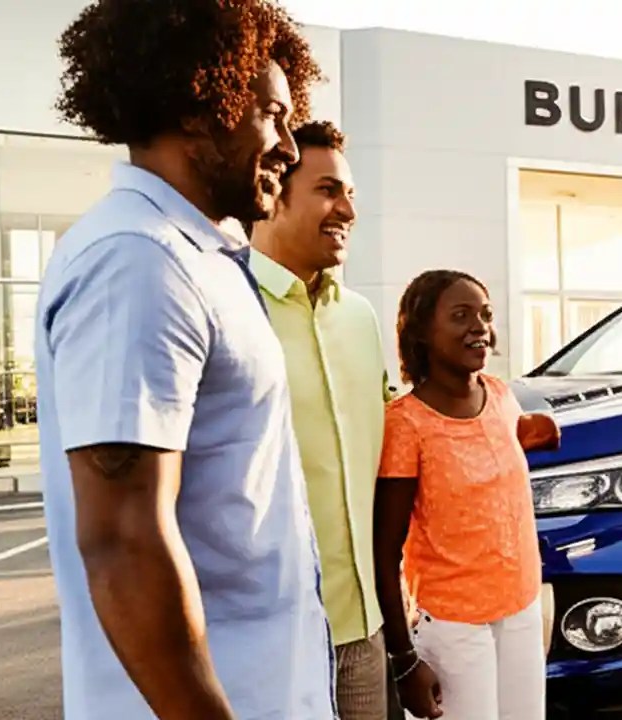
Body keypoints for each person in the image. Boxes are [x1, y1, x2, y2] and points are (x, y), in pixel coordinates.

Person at [35, 2, 334, 718]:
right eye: (272, 114)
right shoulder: (138, 263)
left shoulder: (199, 257)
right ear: (206, 105)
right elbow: (122, 541)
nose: (291, 148)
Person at [248, 120, 394, 719]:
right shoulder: (231, 306)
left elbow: (395, 439)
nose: (348, 210)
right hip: (271, 638)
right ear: (272, 194)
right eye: (328, 190)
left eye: (351, 193)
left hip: (364, 630)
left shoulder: (361, 317)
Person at [374, 270, 548, 720]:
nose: (480, 326)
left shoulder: (501, 395)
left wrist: (538, 432)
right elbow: (384, 551)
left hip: (521, 607)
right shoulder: (405, 423)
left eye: (485, 315)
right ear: (422, 333)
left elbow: (499, 453)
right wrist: (403, 661)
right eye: (460, 315)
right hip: (452, 626)